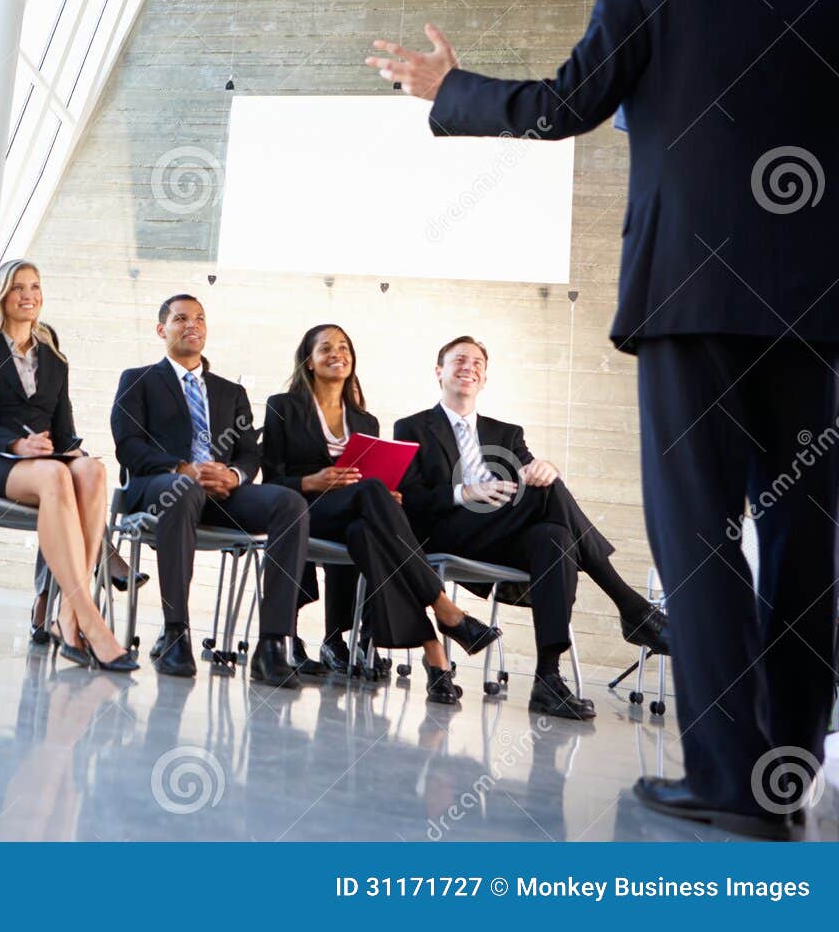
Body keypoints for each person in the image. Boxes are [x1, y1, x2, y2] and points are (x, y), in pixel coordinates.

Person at [367, 0, 837, 838]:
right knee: (807, 541)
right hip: (818, 314)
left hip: (685, 306)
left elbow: (562, 106)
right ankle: (785, 781)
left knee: (701, 536)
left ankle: (725, 777)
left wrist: (450, 89)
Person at [393, 337, 670, 720]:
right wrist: (466, 491)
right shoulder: (411, 427)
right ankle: (631, 606)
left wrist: (547, 467)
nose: (468, 367)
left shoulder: (507, 433)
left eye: (476, 362)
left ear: (485, 378)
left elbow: (535, 479)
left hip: (502, 537)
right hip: (449, 533)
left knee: (554, 536)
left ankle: (547, 678)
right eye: (458, 360)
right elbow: (412, 500)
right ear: (439, 372)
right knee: (548, 498)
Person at [262, 324, 500, 704]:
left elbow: (369, 480)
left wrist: (388, 495)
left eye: (344, 347)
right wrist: (313, 480)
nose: (337, 353)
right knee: (373, 497)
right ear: (309, 361)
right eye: (326, 348)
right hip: (303, 510)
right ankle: (444, 609)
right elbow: (272, 479)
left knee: (372, 531)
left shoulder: (364, 421)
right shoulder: (283, 407)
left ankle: (434, 656)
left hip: (351, 516)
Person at [110, 294, 314, 687]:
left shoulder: (229, 392)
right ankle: (175, 633)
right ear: (161, 330)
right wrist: (181, 468)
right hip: (159, 487)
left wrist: (234, 476)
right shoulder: (137, 380)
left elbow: (249, 453)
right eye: (181, 318)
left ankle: (272, 644)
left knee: (289, 503)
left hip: (221, 494)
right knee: (183, 488)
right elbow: (129, 444)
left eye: (200, 318)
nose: (193, 325)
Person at [0, 260, 134, 671]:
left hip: (43, 463)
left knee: (91, 471)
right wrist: (18, 444)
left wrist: (73, 450)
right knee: (56, 473)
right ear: (0, 295)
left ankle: (67, 615)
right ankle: (85, 615)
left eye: (35, 286)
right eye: (18, 287)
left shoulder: (55, 359)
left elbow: (64, 430)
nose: (28, 295)